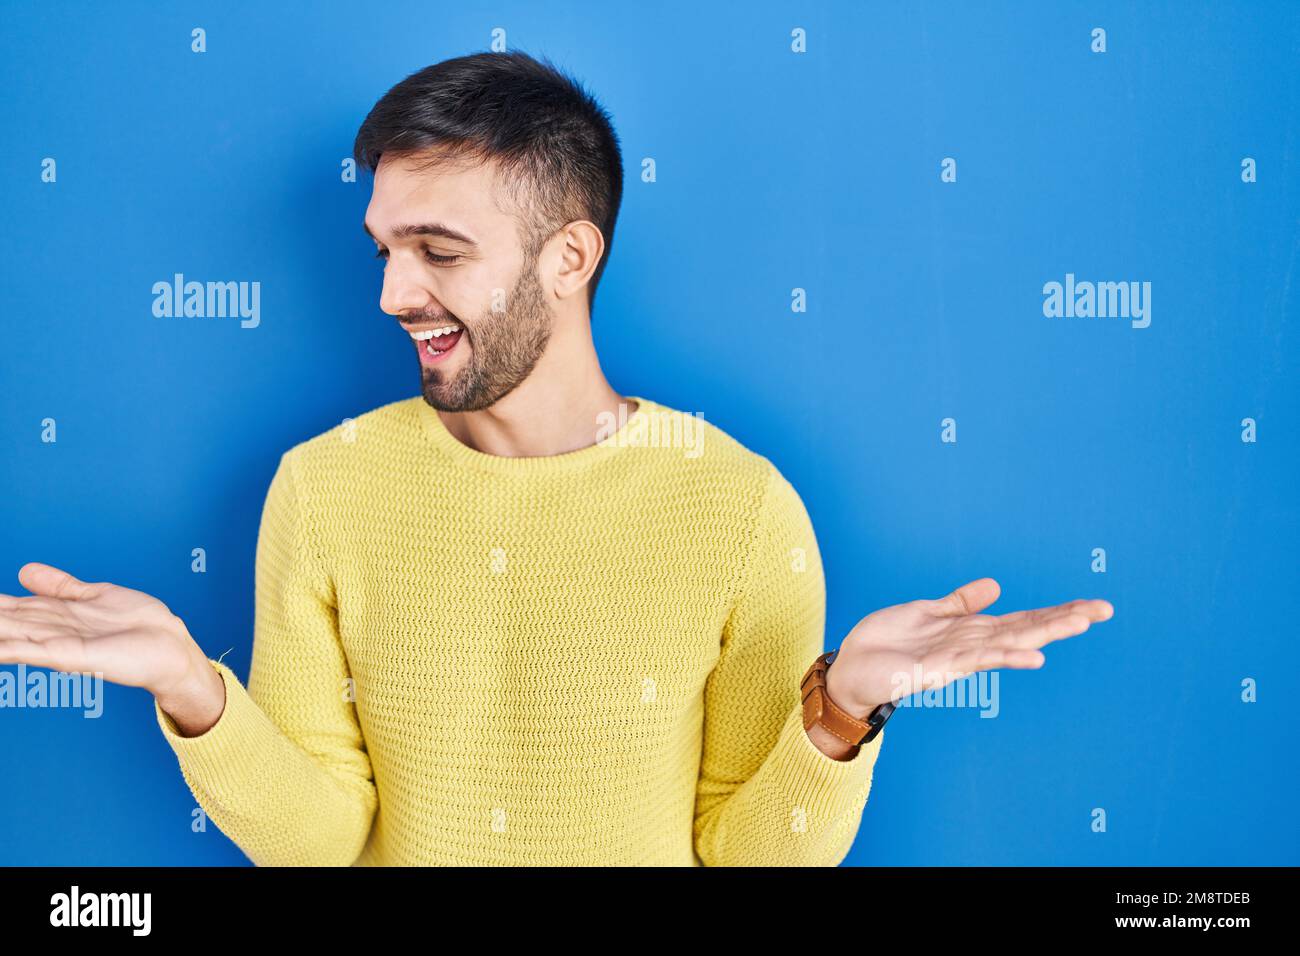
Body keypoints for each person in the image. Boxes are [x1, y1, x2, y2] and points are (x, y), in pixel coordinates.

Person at [0, 51, 1113, 866]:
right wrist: (195, 692)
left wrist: (841, 712)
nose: (394, 293)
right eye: (386, 249)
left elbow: (746, 856)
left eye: (439, 251)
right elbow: (327, 838)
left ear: (568, 256)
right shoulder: (322, 488)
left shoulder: (738, 505)